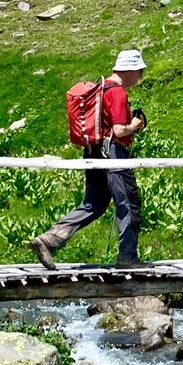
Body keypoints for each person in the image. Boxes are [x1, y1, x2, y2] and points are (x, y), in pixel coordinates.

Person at [29, 49, 149, 269]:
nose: (140, 76)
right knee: (128, 203)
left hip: (93, 150)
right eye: (139, 71)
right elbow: (120, 130)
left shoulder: (100, 88)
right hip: (113, 153)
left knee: (94, 202)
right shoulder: (118, 93)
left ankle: (50, 239)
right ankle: (128, 258)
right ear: (129, 69)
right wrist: (135, 125)